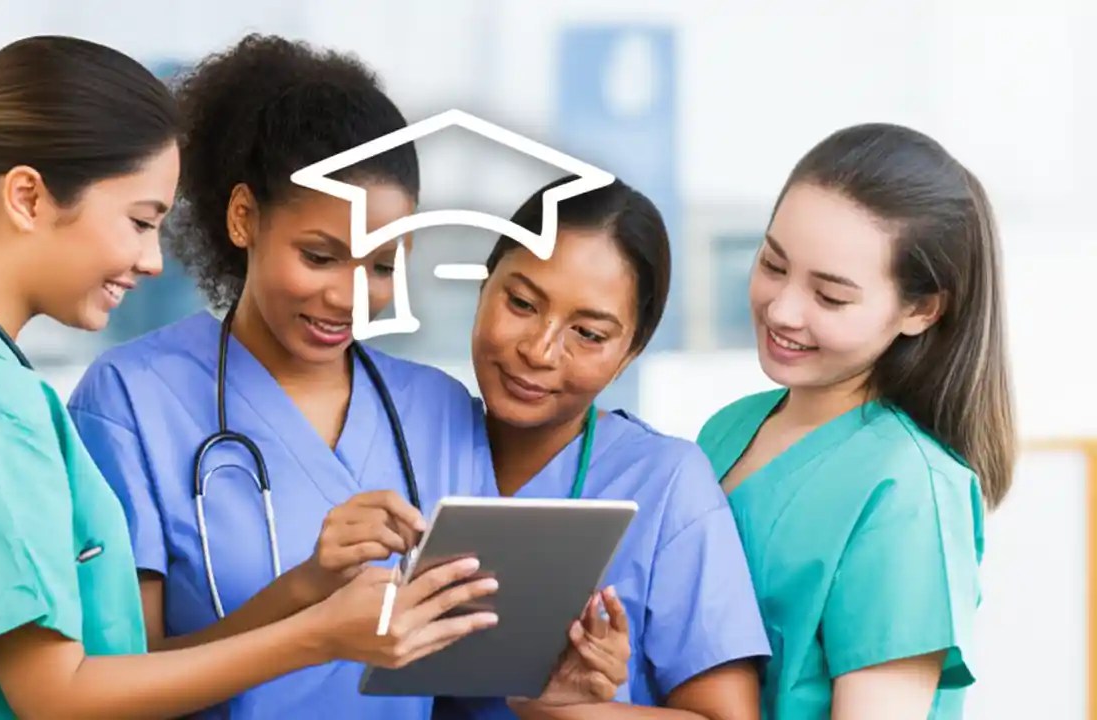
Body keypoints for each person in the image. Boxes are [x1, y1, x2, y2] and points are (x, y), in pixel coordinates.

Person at [0, 35, 501, 720]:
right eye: (141, 222)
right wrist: (318, 633)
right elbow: (58, 694)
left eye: (382, 265)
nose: (153, 260)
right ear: (26, 197)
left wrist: (307, 595)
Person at [66, 34, 628, 720]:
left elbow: (467, 687)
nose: (349, 296)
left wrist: (553, 688)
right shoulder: (131, 400)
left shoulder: (440, 413)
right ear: (244, 218)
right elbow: (113, 686)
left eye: (383, 266)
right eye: (320, 256)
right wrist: (307, 592)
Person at [694, 123, 1014, 719]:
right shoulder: (725, 432)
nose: (782, 310)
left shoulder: (910, 491)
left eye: (831, 297)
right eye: (772, 264)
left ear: (921, 309)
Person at [436, 177, 773, 720]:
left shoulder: (666, 484)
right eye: (521, 303)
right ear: (483, 286)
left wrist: (563, 709)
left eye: (589, 334)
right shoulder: (410, 433)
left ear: (629, 354)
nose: (540, 351)